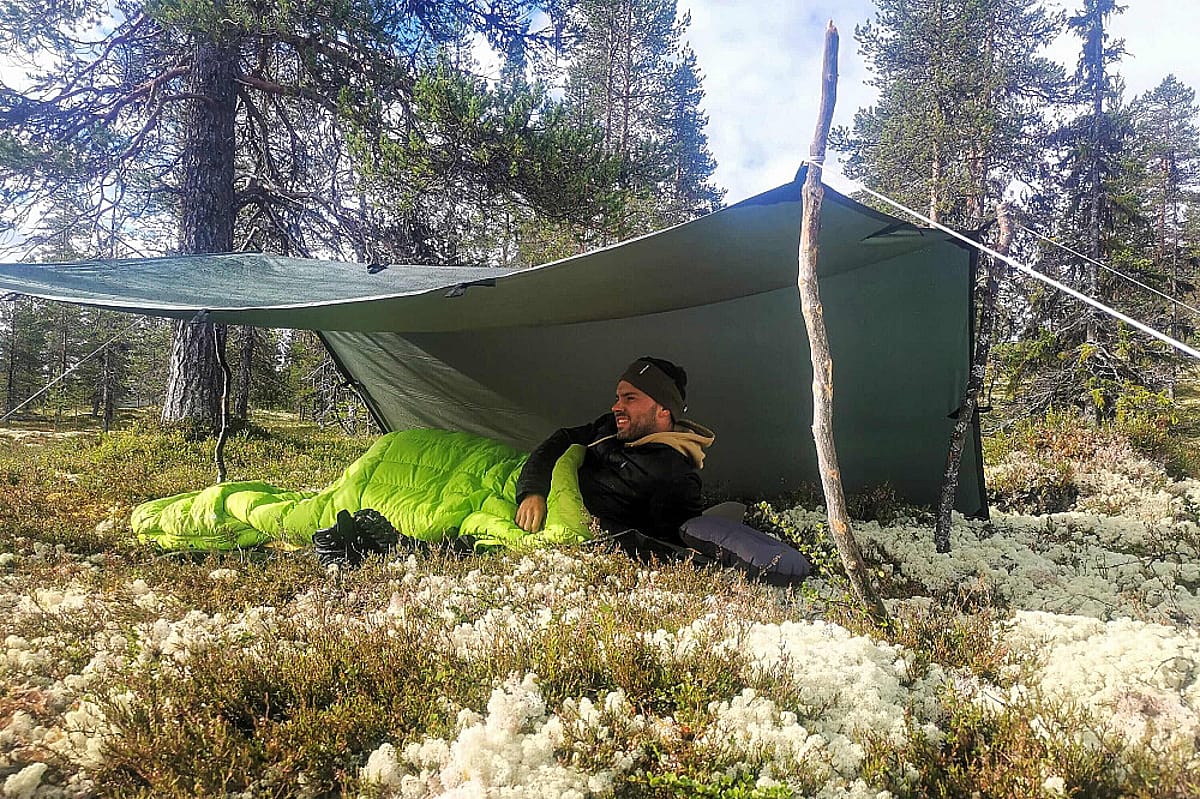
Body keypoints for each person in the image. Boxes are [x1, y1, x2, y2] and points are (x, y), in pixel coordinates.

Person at [514, 356, 715, 549]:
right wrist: (532, 491)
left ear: (664, 409)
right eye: (618, 398)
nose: (616, 407)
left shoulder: (675, 478)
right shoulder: (611, 427)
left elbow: (665, 550)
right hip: (524, 491)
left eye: (630, 398)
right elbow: (563, 440)